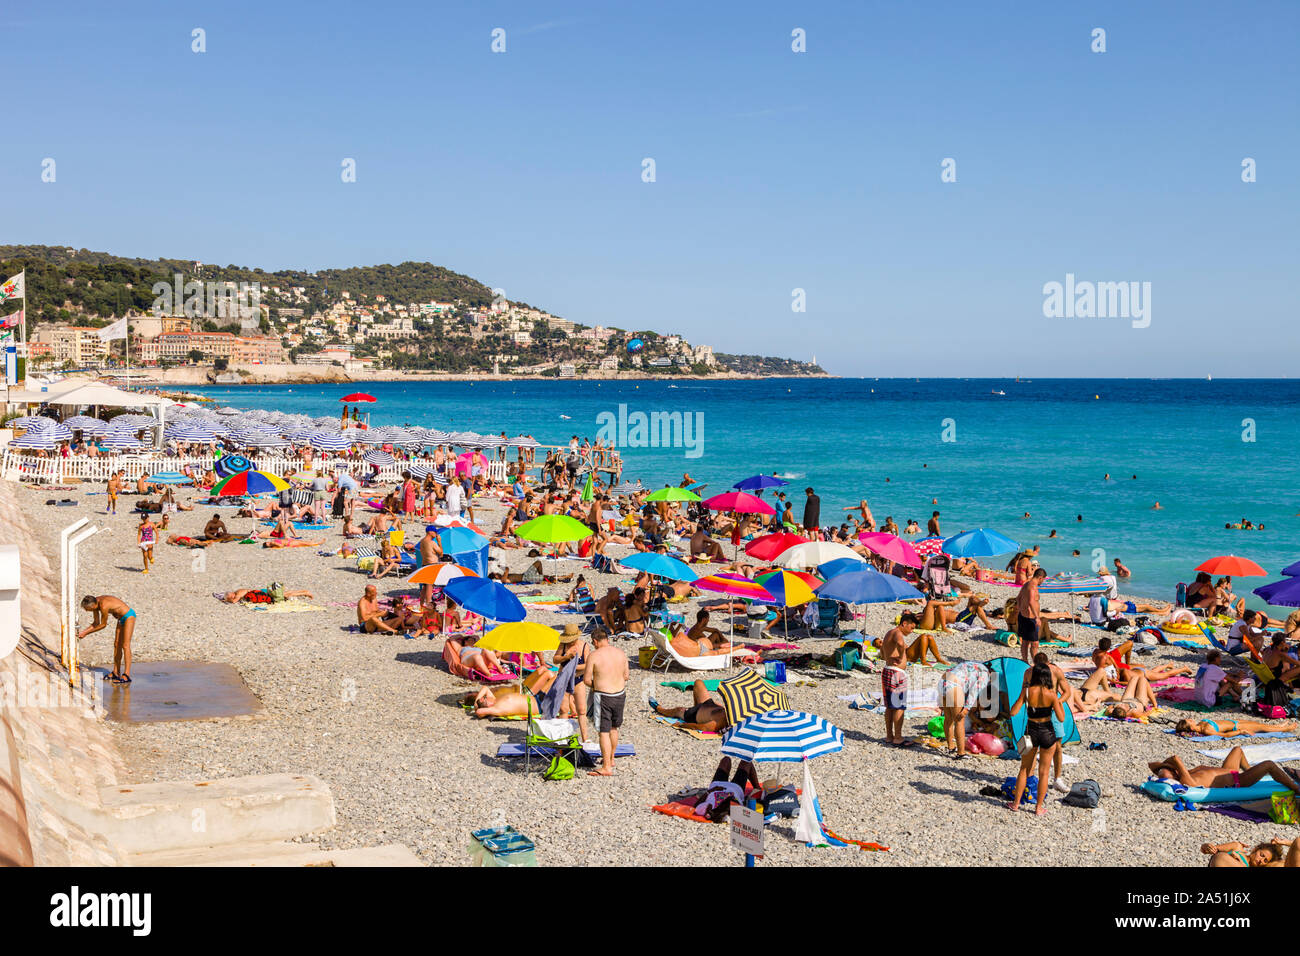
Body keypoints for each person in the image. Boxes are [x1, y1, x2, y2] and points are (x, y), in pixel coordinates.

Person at [1007, 660, 1064, 815]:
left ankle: (1016, 804)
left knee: (1024, 769)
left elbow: (1013, 712)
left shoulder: (1027, 692)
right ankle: (1038, 808)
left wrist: (1023, 694)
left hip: (1031, 731)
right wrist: (1055, 703)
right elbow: (1061, 717)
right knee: (1044, 772)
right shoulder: (1051, 694)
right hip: (1047, 732)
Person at [1148, 747, 1300, 796]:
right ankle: (1296, 788)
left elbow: (1152, 764)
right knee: (1269, 765)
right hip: (1238, 781)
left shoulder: (1188, 773)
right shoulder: (1187, 781)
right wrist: (1168, 765)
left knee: (1237, 750)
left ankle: (1253, 772)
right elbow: (1175, 758)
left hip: (1229, 771)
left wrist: (1164, 767)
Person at [583, 630, 628, 777]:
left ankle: (606, 767)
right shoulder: (620, 653)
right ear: (607, 639)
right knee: (614, 728)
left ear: (595, 641)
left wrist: (597, 685)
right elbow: (626, 676)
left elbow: (586, 680)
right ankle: (611, 758)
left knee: (603, 731)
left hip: (604, 696)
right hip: (620, 694)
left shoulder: (594, 655)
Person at [78, 595, 137, 683]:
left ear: (93, 605)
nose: (86, 611)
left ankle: (126, 675)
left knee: (125, 645)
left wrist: (86, 633)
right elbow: (96, 623)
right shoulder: (95, 603)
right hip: (120, 618)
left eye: (87, 609)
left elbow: (103, 625)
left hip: (129, 616)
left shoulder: (103, 605)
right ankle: (116, 672)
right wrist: (83, 632)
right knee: (117, 645)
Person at [879, 612, 916, 746]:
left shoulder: (889, 633)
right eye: (911, 628)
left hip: (888, 670)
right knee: (899, 706)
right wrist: (901, 655)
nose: (912, 631)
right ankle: (898, 737)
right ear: (904, 624)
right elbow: (900, 643)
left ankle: (889, 736)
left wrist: (890, 657)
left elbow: (882, 652)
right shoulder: (897, 633)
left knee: (889, 706)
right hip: (897, 673)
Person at [940, 661, 990, 758]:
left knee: (948, 718)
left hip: (943, 681)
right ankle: (961, 753)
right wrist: (967, 708)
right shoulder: (985, 674)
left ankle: (950, 747)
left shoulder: (973, 665)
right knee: (959, 721)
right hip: (954, 686)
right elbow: (974, 691)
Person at [692, 756, 762, 822]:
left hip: (717, 785)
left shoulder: (709, 808)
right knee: (747, 761)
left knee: (726, 759)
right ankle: (757, 788)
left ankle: (757, 788)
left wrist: (710, 791)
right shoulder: (734, 807)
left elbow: (695, 806)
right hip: (736, 787)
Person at [553, 623, 592, 742]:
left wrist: (574, 666)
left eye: (572, 640)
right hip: (564, 679)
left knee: (581, 710)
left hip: (578, 680)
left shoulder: (584, 646)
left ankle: (585, 739)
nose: (570, 642)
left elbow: (588, 664)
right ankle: (564, 737)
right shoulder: (563, 645)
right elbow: (555, 660)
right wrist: (566, 657)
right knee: (563, 710)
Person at [651, 679, 730, 732]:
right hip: (709, 705)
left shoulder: (718, 723)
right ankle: (694, 707)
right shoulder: (734, 711)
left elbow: (702, 727)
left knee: (678, 710)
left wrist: (682, 725)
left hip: (695, 714)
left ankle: (659, 708)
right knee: (698, 682)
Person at [1202, 837, 1300, 868]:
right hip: (1221, 862)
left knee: (1298, 842)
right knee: (1221, 857)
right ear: (1255, 849)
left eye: (1265, 860)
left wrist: (1285, 843)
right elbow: (1206, 850)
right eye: (1262, 855)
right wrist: (1208, 846)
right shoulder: (1238, 847)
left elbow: (1294, 855)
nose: (1261, 860)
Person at [1016, 568, 1045, 663]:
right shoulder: (1032, 586)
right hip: (1030, 618)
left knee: (1025, 641)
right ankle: (1036, 663)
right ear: (1040, 577)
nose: (1043, 582)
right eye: (1043, 579)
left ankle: (1025, 661)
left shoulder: (1026, 584)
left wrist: (1021, 610)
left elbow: (1018, 598)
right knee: (1035, 643)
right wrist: (1037, 617)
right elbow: (1031, 601)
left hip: (1023, 616)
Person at [1177, 717, 1296, 738]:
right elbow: (1225, 735)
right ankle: (1285, 729)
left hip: (1234, 722)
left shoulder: (1200, 724)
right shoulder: (1207, 730)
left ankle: (1278, 726)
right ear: (1191, 728)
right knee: (1261, 727)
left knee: (1259, 725)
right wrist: (1240, 731)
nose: (1192, 719)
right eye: (1190, 721)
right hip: (1236, 726)